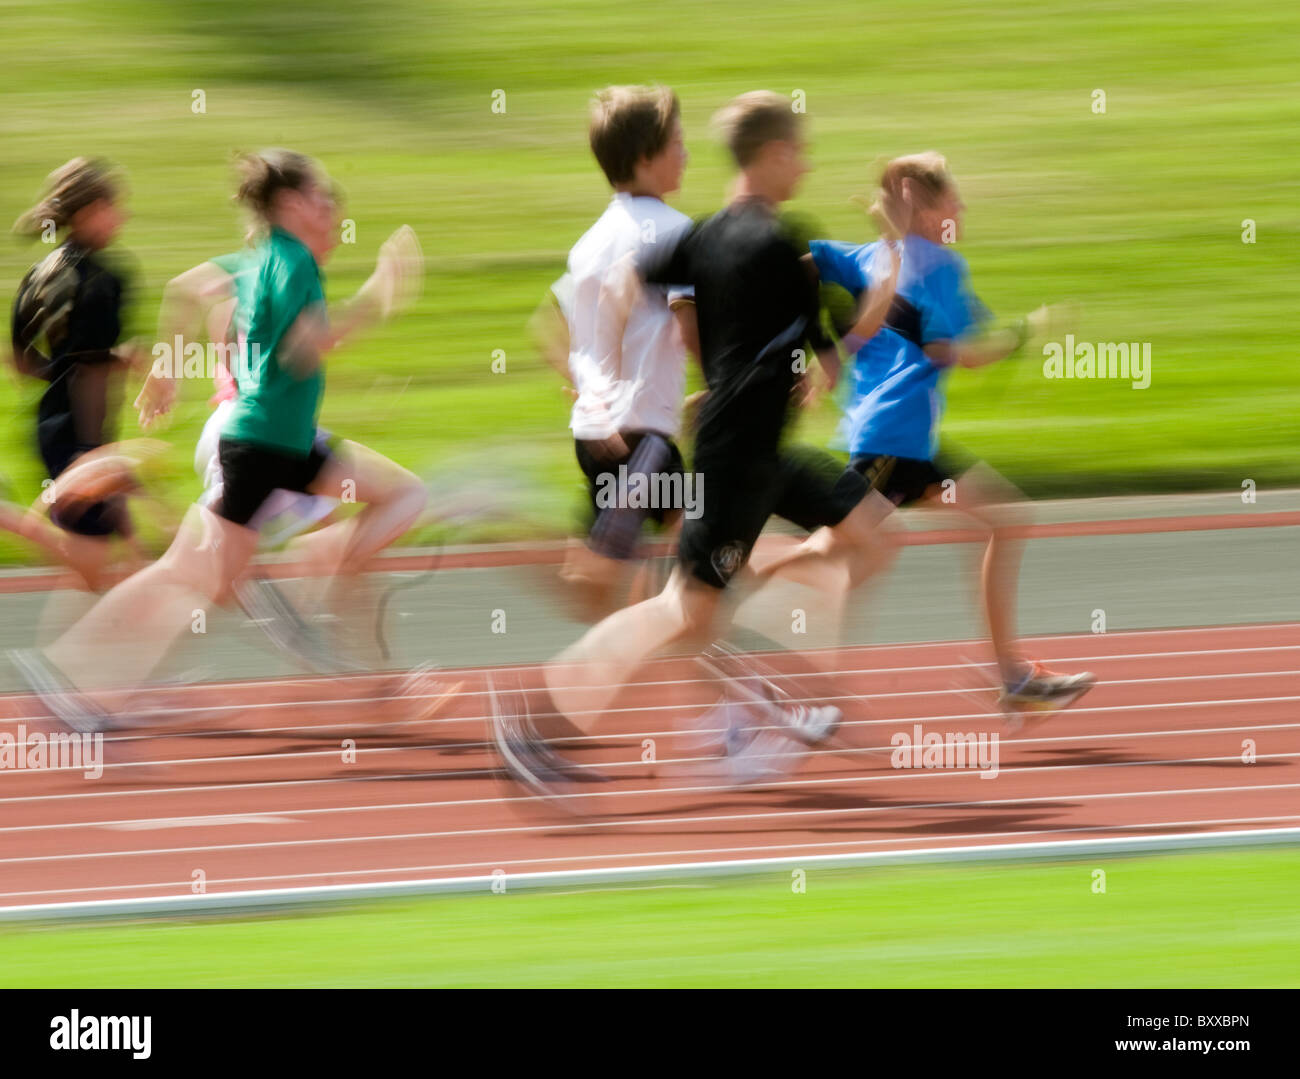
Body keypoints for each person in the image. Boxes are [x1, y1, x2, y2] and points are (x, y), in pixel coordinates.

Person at [491, 92, 898, 802]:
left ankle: (770, 695)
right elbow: (829, 350)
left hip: (757, 452)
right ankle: (537, 721)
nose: (803, 164)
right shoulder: (779, 245)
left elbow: (623, 288)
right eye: (798, 152)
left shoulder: (696, 238)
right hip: (737, 461)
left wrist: (616, 378)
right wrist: (873, 290)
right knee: (680, 611)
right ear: (771, 156)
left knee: (872, 532)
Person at [11, 148, 427, 731]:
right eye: (319, 195)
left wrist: (164, 370)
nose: (330, 205)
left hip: (282, 443)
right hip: (263, 445)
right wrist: (379, 297)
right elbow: (302, 349)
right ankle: (71, 676)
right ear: (287, 205)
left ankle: (78, 681)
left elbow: (186, 288)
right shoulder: (294, 263)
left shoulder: (259, 257)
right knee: (189, 576)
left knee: (400, 495)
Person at [803, 151, 1094, 715]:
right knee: (838, 549)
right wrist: (1026, 331)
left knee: (1003, 519)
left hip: (908, 444)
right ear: (917, 199)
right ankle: (729, 584)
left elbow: (795, 268)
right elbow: (960, 354)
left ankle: (1010, 678)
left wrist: (819, 342)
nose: (961, 206)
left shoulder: (865, 255)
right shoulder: (941, 267)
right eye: (950, 197)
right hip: (891, 439)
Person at [532, 84, 697, 619]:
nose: (686, 154)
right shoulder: (675, 233)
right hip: (642, 439)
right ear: (646, 158)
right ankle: (510, 530)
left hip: (602, 434)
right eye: (677, 143)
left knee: (685, 546)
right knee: (607, 576)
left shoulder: (591, 241)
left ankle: (657, 666)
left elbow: (548, 325)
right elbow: (692, 327)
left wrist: (588, 384)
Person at [6, 158, 149, 590]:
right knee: (93, 561)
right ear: (88, 212)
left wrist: (59, 373)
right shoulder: (106, 279)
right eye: (114, 207)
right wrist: (125, 360)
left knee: (112, 559)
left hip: (52, 427)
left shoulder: (40, 273)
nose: (121, 217)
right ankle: (10, 518)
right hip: (84, 435)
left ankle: (110, 642)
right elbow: (92, 366)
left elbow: (18, 359)